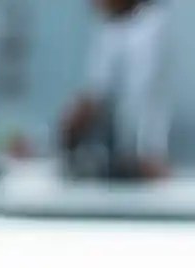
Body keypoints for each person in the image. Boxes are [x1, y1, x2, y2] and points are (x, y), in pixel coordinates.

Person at [60, 0, 171, 179]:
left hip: (152, 166)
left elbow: (143, 99)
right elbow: (94, 98)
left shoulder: (155, 28)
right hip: (124, 163)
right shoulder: (111, 32)